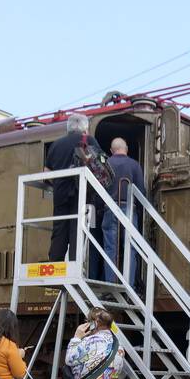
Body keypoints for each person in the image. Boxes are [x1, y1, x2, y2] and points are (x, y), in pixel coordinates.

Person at [44, 113, 103, 264]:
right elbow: (100, 166)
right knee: (78, 231)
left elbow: (46, 172)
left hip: (60, 194)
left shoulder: (56, 144)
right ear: (85, 128)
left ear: (68, 128)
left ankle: (55, 266)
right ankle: (75, 266)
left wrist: (58, 183)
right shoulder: (89, 140)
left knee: (59, 231)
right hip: (82, 194)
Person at [96, 138, 147, 285]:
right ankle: (129, 285)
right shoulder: (134, 165)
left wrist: (100, 208)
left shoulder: (106, 164)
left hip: (110, 208)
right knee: (130, 248)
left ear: (111, 151)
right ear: (127, 149)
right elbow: (141, 191)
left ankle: (111, 283)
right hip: (129, 210)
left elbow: (99, 189)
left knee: (110, 248)